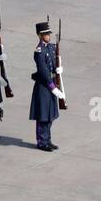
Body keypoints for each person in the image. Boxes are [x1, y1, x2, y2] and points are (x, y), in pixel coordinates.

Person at [29, 20, 61, 151]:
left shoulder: (51, 47)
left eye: (49, 33)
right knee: (43, 115)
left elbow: (54, 63)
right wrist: (52, 86)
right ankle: (42, 141)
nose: (49, 36)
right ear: (40, 35)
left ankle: (47, 139)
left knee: (50, 114)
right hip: (44, 85)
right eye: (46, 34)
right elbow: (43, 70)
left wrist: (58, 69)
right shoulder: (39, 51)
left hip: (52, 82)